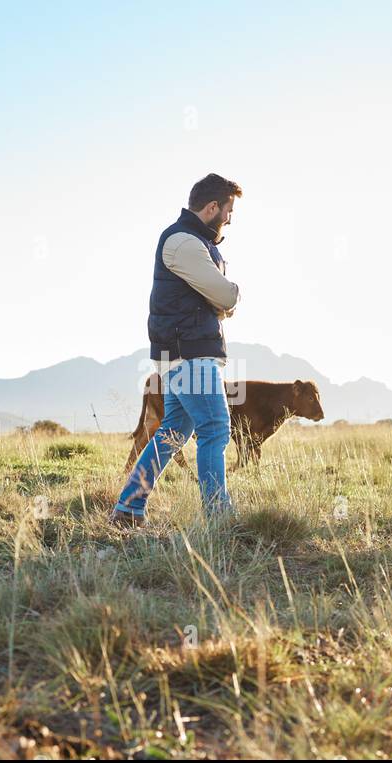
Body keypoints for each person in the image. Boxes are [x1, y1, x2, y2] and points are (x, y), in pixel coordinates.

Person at [109, 174, 243, 528]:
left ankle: (128, 508)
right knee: (215, 429)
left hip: (183, 352)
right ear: (212, 207)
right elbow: (225, 296)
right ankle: (219, 518)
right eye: (228, 211)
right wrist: (229, 297)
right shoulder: (184, 242)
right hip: (189, 354)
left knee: (173, 433)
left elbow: (215, 299)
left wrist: (220, 301)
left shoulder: (194, 242)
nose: (230, 219)